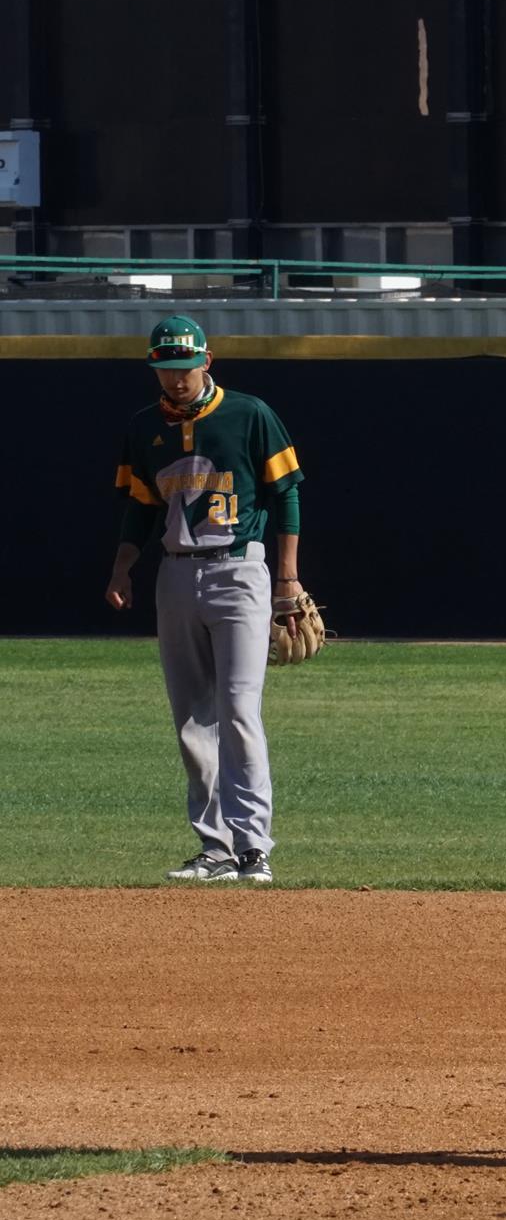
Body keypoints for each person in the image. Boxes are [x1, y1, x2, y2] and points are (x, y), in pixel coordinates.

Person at [108, 314, 307, 885]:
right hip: (174, 575)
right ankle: (214, 847)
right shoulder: (146, 426)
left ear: (207, 360)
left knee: (239, 712)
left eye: (185, 367)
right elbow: (140, 507)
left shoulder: (249, 414)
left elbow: (287, 496)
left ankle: (253, 847)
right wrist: (123, 568)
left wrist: (289, 579)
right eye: (166, 369)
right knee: (192, 717)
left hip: (239, 572)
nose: (176, 379)